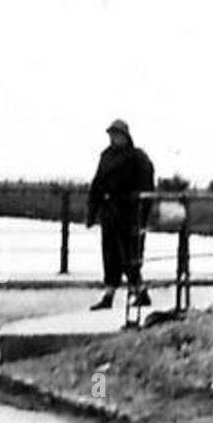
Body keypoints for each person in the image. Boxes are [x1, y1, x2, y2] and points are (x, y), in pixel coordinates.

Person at [87, 119, 156, 310]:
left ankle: (140, 291)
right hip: (109, 212)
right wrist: (92, 212)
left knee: (129, 256)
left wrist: (142, 212)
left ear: (126, 136)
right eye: (111, 134)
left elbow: (146, 188)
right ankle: (109, 295)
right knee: (109, 254)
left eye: (117, 134)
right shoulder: (106, 156)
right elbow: (97, 183)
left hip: (128, 213)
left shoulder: (137, 158)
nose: (114, 138)